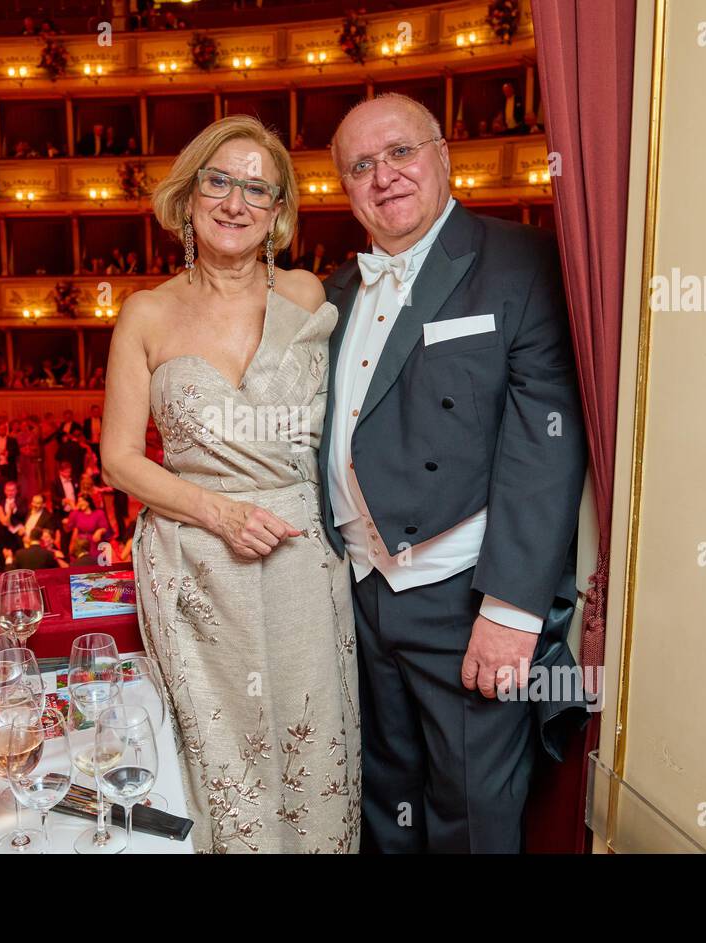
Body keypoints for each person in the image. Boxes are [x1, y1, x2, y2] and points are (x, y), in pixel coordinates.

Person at [320, 94, 588, 853]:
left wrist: (511, 612)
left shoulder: (522, 260)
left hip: (465, 597)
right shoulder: (336, 292)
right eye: (361, 166)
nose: (385, 176)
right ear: (345, 189)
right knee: (383, 799)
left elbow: (547, 443)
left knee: (473, 813)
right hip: (361, 594)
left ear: (443, 156)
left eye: (401, 152)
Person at [102, 114, 360, 853]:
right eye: (219, 180)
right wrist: (218, 513)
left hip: (303, 563)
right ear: (188, 197)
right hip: (197, 568)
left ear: (279, 213)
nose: (235, 201)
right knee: (223, 764)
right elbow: (119, 458)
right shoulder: (144, 313)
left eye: (258, 188)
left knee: (313, 747)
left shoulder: (310, 296)